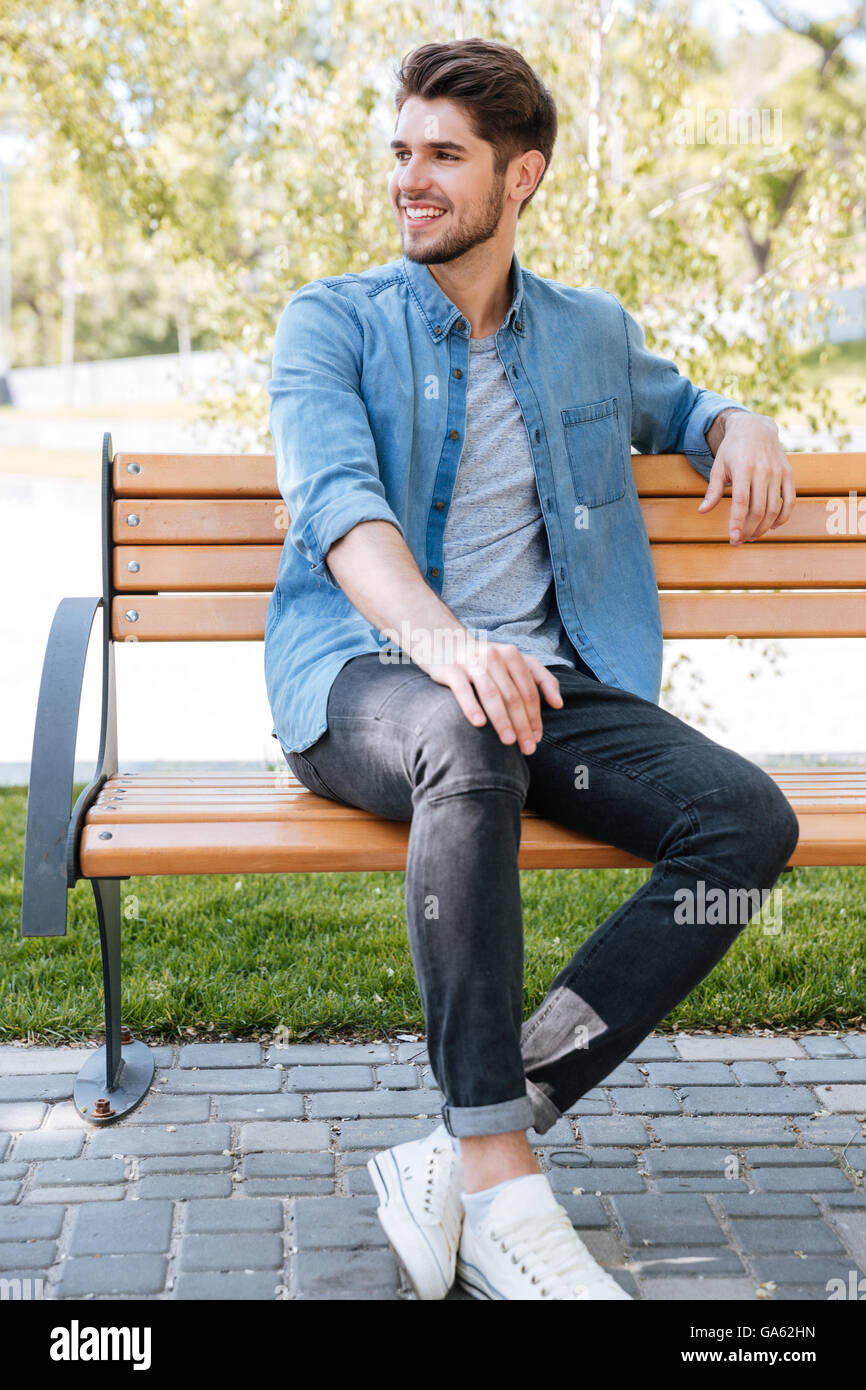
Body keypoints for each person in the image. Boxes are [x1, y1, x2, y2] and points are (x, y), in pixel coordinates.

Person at [264, 37, 799, 1301]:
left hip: (546, 690)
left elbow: (684, 409)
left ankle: (483, 1120)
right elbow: (340, 507)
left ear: (522, 179)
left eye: (443, 155)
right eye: (400, 151)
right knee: (466, 728)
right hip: (367, 682)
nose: (410, 177)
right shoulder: (328, 322)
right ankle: (503, 1179)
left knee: (744, 823)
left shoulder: (587, 334)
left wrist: (739, 419)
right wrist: (446, 645)